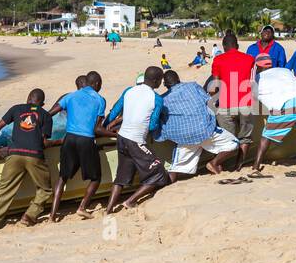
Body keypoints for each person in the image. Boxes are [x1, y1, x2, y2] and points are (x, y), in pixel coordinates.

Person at [0, 88, 59, 231]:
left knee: (3, 189)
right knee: (45, 189)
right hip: (34, 155)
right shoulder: (45, 115)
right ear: (42, 104)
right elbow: (44, 143)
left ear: (28, 99)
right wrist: (59, 142)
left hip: (14, 154)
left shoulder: (16, 109)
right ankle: (29, 216)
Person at [101, 66, 171, 213]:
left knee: (121, 177)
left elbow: (115, 111)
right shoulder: (157, 99)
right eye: (160, 80)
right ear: (156, 81)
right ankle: (130, 201)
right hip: (135, 140)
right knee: (158, 173)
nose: (160, 83)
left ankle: (108, 210)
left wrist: (104, 126)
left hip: (121, 137)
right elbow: (152, 125)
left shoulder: (128, 90)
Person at [157, 70, 238, 180]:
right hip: (205, 131)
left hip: (184, 138)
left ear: (165, 84)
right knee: (233, 144)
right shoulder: (193, 86)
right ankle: (214, 163)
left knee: (176, 168)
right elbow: (209, 101)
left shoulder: (162, 99)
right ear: (178, 79)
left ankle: (165, 185)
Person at [49, 71, 107, 219]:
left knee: (62, 177)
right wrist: (114, 134)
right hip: (86, 140)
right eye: (100, 84)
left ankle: (52, 215)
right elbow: (97, 129)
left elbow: (50, 114)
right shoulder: (100, 99)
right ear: (96, 84)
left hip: (69, 139)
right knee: (96, 178)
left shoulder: (70, 96)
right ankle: (82, 207)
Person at [207, 32, 257, 170]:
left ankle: (217, 164)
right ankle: (238, 166)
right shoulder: (249, 59)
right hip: (246, 104)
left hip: (226, 105)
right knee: (245, 138)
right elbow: (253, 82)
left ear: (223, 47)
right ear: (237, 45)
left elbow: (214, 87)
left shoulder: (218, 59)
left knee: (228, 140)